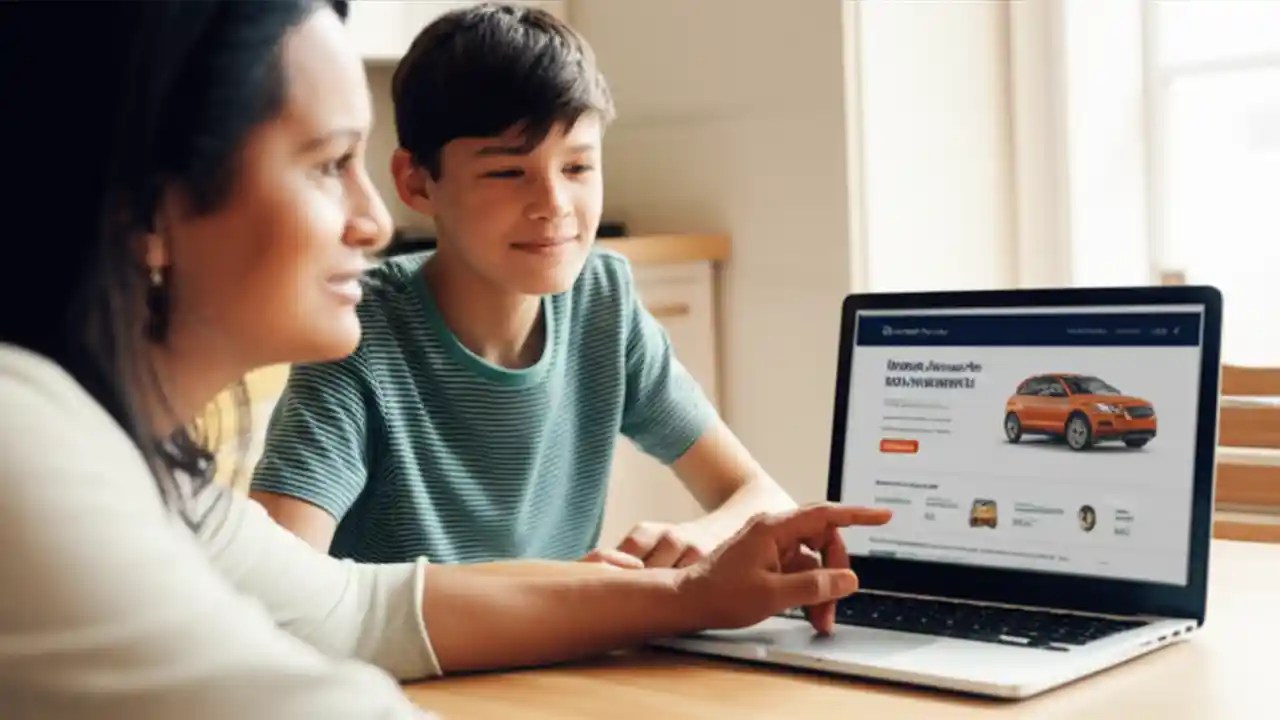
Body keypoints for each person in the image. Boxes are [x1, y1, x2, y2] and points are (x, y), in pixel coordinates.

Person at [0, 2, 892, 718]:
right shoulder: (21, 451)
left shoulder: (140, 468)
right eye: (327, 164)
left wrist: (693, 592)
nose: (373, 222)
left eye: (578, 166)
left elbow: (354, 609)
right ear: (147, 206)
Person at [250, 2, 801, 570]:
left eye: (577, 168)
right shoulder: (358, 333)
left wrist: (702, 538)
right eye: (507, 172)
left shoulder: (601, 304)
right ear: (416, 182)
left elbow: (761, 498)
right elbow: (277, 580)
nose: (553, 205)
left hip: (566, 628)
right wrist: (557, 599)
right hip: (419, 636)